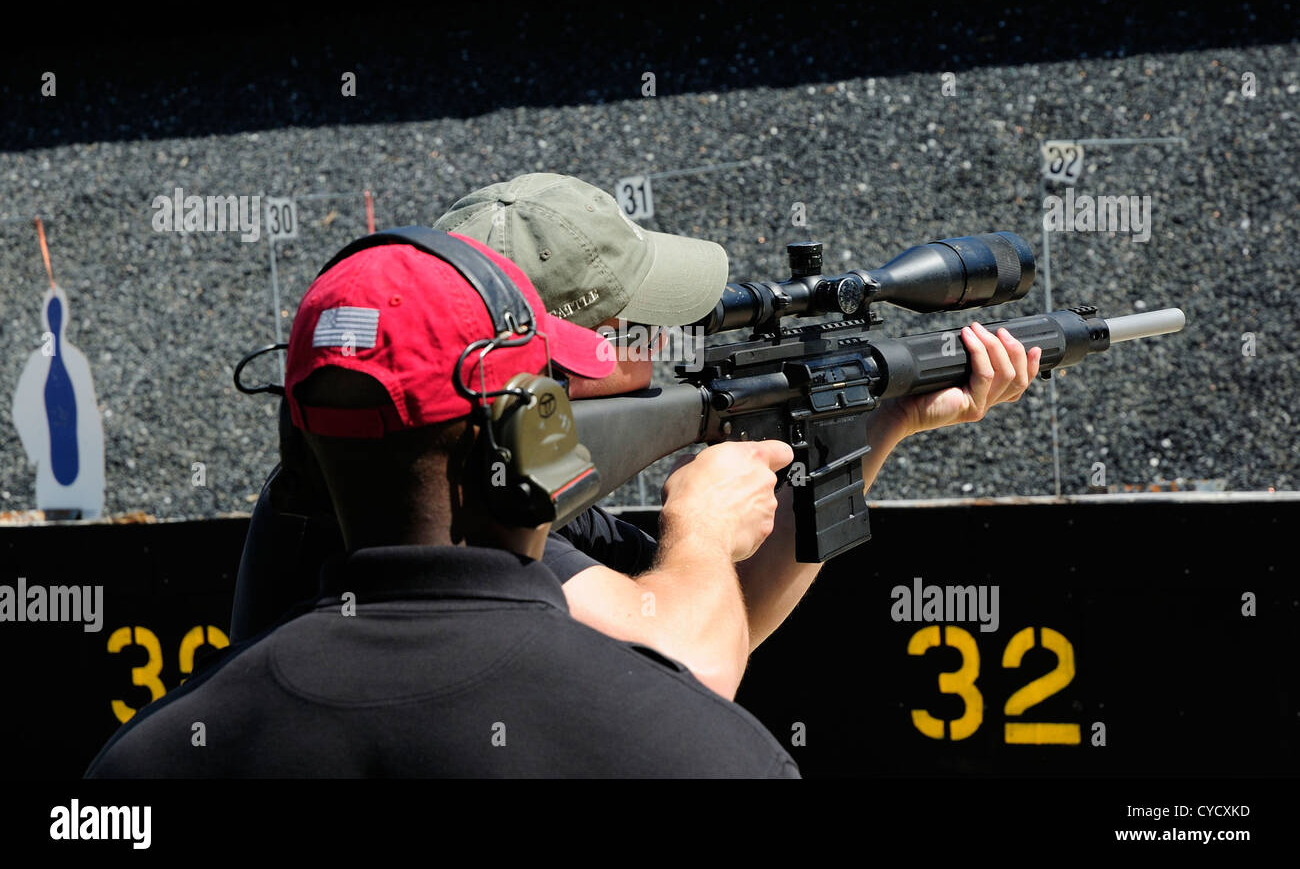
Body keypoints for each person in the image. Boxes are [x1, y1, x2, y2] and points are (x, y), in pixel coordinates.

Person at [233, 173, 1039, 700]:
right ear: (550, 357)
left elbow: (723, 618)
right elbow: (689, 661)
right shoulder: (449, 498)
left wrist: (874, 425)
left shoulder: (475, 466)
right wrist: (699, 532)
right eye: (629, 325)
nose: (661, 340)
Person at [86, 231, 799, 777]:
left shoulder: (143, 760)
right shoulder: (709, 753)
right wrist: (701, 532)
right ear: (533, 441)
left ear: (298, 452)